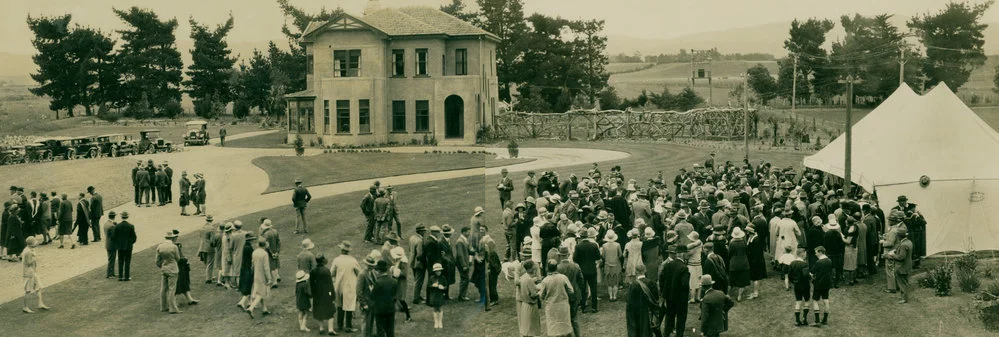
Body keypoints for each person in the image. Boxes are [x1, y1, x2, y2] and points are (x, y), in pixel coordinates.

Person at [659, 245, 690, 337]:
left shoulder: (669, 265)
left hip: (670, 297)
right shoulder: (684, 268)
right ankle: (679, 335)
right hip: (681, 298)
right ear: (683, 254)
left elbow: (662, 280)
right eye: (686, 253)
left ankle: (666, 334)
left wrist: (664, 294)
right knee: (681, 317)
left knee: (670, 316)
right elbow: (684, 285)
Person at [539, 260, 574, 337]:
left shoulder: (545, 280)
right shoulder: (563, 277)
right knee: (565, 325)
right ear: (556, 268)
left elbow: (541, 295)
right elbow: (571, 291)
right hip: (563, 305)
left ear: (547, 268)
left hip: (551, 306)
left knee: (553, 326)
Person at [331, 241, 360, 333]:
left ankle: (340, 325)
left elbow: (332, 273)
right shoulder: (353, 260)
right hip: (350, 285)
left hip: (339, 286)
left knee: (340, 305)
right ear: (348, 251)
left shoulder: (336, 260)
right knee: (349, 306)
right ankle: (348, 326)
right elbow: (359, 272)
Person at [555, 246, 584, 337]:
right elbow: (581, 280)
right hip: (574, 294)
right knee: (574, 318)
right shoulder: (575, 266)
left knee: (563, 318)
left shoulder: (558, 268)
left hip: (562, 295)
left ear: (560, 255)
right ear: (568, 254)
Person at [626, 263, 659, 337]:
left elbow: (629, 303)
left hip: (637, 313)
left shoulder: (633, 285)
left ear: (636, 271)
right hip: (649, 312)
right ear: (645, 270)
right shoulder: (652, 283)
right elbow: (656, 300)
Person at [575, 227, 601, 313]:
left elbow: (575, 259)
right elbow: (598, 257)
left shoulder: (578, 246)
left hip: (582, 269)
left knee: (583, 289)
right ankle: (594, 307)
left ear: (581, 237)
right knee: (593, 288)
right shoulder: (593, 245)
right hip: (592, 269)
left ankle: (583, 307)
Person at [21, 237, 50, 313]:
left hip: (33, 272)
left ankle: (40, 304)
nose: (36, 243)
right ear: (31, 244)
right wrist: (34, 258)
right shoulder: (28, 252)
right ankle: (25, 307)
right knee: (28, 290)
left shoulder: (29, 250)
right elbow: (28, 263)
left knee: (38, 287)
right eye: (35, 242)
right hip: (28, 273)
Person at [246, 240, 273, 318]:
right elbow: (266, 267)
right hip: (262, 275)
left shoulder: (254, 252)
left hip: (256, 274)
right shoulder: (264, 254)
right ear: (264, 245)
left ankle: (264, 309)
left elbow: (253, 264)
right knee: (261, 293)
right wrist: (269, 278)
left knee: (260, 291)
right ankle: (251, 307)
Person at [156, 231, 182, 314]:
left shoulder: (160, 246)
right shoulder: (174, 247)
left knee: (163, 288)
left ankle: (163, 306)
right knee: (171, 289)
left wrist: (162, 266)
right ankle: (172, 308)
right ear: (171, 238)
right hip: (172, 269)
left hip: (164, 268)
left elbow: (157, 260)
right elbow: (178, 258)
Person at [371, 260, 399, 337]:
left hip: (380, 310)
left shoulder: (378, 283)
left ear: (379, 271)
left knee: (380, 331)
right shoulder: (394, 281)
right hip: (390, 309)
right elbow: (395, 296)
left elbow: (373, 295)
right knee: (390, 331)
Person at [172, 229, 200, 306]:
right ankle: (174, 302)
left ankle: (189, 299)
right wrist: (185, 259)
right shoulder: (173, 247)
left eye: (176, 236)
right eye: (175, 236)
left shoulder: (176, 245)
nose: (176, 238)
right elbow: (177, 258)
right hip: (177, 266)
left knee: (184, 282)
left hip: (181, 267)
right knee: (177, 284)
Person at [312, 253, 337, 335]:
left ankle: (321, 328)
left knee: (319, 311)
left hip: (317, 294)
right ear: (323, 261)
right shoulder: (326, 271)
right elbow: (330, 284)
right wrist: (332, 295)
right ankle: (330, 329)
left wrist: (313, 294)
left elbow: (311, 284)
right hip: (326, 294)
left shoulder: (313, 271)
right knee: (330, 311)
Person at [886, 227, 913, 304]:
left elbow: (901, 257)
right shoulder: (909, 242)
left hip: (901, 267)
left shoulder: (903, 245)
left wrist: (892, 255)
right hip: (907, 265)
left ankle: (904, 298)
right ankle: (903, 296)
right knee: (904, 282)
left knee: (902, 283)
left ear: (898, 236)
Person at [517, 260, 542, 337]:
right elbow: (533, 295)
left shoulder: (523, 277)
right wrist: (540, 293)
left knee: (526, 327)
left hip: (524, 305)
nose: (535, 269)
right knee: (532, 328)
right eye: (533, 267)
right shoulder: (529, 280)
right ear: (530, 269)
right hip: (531, 306)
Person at [809, 246, 833, 326]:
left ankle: (817, 321)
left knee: (815, 300)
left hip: (818, 284)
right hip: (827, 283)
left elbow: (812, 272)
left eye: (816, 252)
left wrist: (810, 275)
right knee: (826, 300)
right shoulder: (829, 261)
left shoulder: (818, 262)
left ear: (820, 252)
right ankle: (825, 320)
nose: (815, 254)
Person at [388, 246, 412, 322]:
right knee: (394, 299)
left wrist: (396, 271)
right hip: (396, 283)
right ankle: (391, 317)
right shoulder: (398, 261)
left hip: (401, 283)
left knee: (401, 300)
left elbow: (404, 274)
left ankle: (408, 317)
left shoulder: (403, 263)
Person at [788, 248, 811, 326]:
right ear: (802, 254)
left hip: (797, 286)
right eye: (805, 253)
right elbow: (805, 275)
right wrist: (810, 276)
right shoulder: (804, 264)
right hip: (805, 285)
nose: (806, 255)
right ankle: (804, 318)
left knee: (798, 301)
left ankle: (797, 320)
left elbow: (789, 275)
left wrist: (794, 282)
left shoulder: (792, 263)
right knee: (807, 301)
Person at [727, 227, 750, 301]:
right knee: (742, 282)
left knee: (731, 281)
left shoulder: (731, 243)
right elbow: (747, 252)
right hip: (744, 263)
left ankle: (727, 295)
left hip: (734, 263)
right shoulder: (744, 242)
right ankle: (739, 296)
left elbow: (729, 254)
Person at [114, 211, 137, 282]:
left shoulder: (117, 226)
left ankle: (120, 276)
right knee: (127, 262)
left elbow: (114, 237)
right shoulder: (131, 226)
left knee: (120, 261)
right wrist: (130, 243)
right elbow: (134, 237)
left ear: (121, 217)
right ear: (127, 217)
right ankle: (127, 276)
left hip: (120, 246)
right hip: (128, 246)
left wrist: (118, 243)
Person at [601, 230, 623, 301]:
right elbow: (620, 255)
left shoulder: (604, 246)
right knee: (616, 281)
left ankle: (610, 296)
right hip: (616, 264)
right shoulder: (617, 245)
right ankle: (615, 296)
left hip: (607, 265)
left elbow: (603, 256)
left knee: (609, 282)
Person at [408, 224, 427, 304]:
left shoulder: (412, 238)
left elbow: (410, 249)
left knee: (417, 279)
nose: (425, 232)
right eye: (423, 231)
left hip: (412, 261)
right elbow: (420, 254)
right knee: (419, 281)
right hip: (419, 263)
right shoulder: (419, 241)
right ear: (420, 231)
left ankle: (418, 296)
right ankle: (416, 298)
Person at [260, 219, 281, 285]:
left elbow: (267, 246)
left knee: (271, 267)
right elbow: (279, 242)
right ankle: (277, 276)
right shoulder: (275, 231)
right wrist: (277, 252)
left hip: (269, 252)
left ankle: (274, 282)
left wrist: (271, 253)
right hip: (275, 250)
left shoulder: (266, 234)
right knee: (276, 265)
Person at [454, 226, 472, 301]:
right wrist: (464, 265)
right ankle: (461, 296)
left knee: (465, 278)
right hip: (462, 263)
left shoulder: (464, 240)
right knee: (465, 279)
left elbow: (468, 251)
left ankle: (462, 295)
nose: (469, 233)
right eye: (468, 232)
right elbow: (460, 255)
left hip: (465, 262)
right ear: (464, 232)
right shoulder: (460, 241)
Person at [428, 263, 447, 329]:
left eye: (439, 271)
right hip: (434, 295)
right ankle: (436, 322)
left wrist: (443, 287)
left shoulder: (443, 278)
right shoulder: (431, 278)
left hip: (440, 295)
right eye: (436, 271)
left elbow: (446, 287)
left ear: (441, 271)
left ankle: (440, 321)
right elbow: (428, 286)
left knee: (440, 308)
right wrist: (433, 285)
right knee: (435, 308)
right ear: (434, 272)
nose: (438, 272)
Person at [104, 211, 118, 279]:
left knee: (111, 259)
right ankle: (110, 274)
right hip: (112, 245)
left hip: (108, 244)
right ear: (114, 216)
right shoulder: (112, 226)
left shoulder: (106, 224)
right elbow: (113, 236)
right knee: (112, 259)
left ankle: (111, 273)